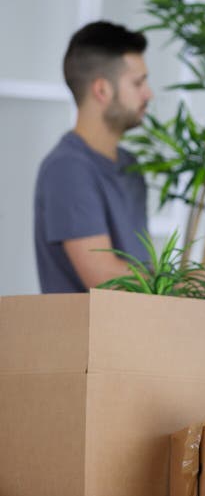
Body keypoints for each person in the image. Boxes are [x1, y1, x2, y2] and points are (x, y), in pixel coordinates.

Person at [34, 21, 153, 293]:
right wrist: (182, 284)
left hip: (133, 332)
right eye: (138, 83)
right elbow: (105, 278)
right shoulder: (67, 169)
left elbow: (137, 268)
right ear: (102, 90)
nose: (149, 94)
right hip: (84, 336)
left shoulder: (129, 166)